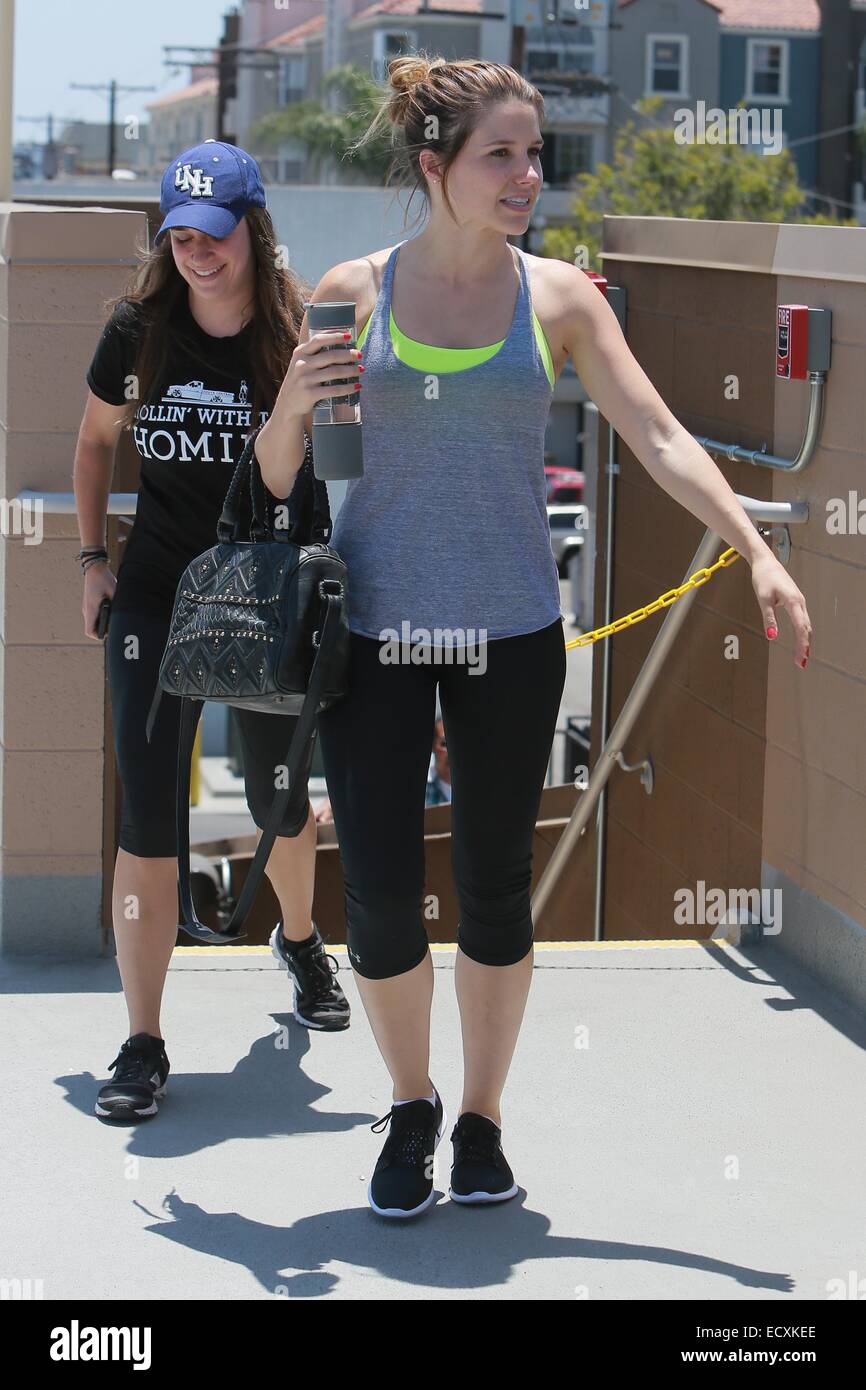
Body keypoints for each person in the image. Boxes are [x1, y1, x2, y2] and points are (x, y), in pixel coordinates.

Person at [254, 55, 812, 1218]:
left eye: (533, 153)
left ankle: (480, 1119)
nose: (526, 175)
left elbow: (656, 435)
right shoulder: (352, 292)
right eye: (499, 155)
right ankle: (409, 1102)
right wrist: (294, 405)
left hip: (510, 634)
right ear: (434, 169)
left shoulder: (559, 297)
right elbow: (286, 478)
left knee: (497, 887)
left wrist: (753, 548)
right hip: (375, 635)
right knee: (375, 892)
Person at [76, 141, 350, 1124]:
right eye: (179, 235)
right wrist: (90, 557)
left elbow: (349, 451)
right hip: (158, 594)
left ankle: (303, 940)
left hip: (268, 592)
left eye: (214, 234)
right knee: (150, 818)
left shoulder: (297, 327)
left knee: (281, 802)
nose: (196, 252)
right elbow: (96, 439)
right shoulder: (136, 330)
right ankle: (144, 1039)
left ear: (253, 228)